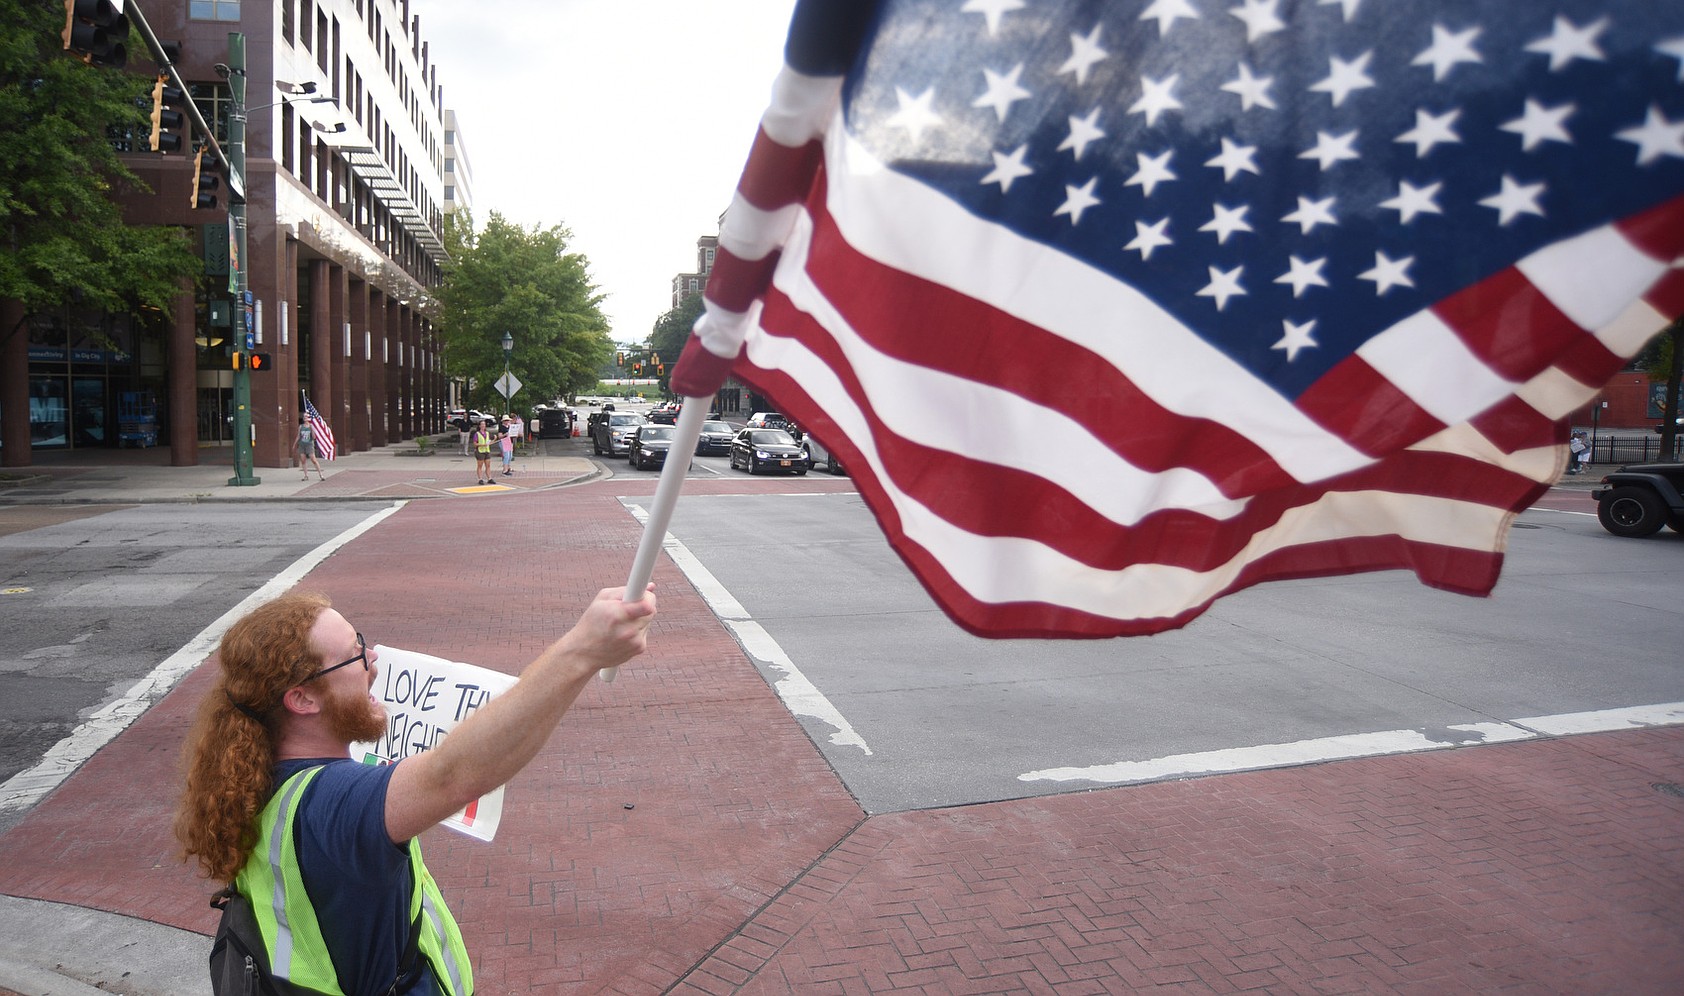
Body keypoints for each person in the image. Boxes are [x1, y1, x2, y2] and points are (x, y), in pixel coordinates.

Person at [175, 585, 657, 996]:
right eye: (352, 655)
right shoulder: (333, 805)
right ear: (301, 698)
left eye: (361, 642)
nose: (373, 662)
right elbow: (453, 774)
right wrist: (582, 651)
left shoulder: (252, 777)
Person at [296, 415, 326, 481]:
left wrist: (312, 429)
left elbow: (314, 437)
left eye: (306, 417)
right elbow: (298, 436)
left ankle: (320, 474)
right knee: (303, 460)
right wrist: (295, 444)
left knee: (313, 459)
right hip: (302, 444)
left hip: (309, 444)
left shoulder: (311, 426)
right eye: (304, 417)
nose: (305, 418)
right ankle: (306, 475)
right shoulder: (301, 427)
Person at [470, 419, 494, 485]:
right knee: (480, 465)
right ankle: (480, 478)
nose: (483, 425)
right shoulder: (477, 434)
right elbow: (475, 444)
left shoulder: (487, 433)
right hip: (480, 451)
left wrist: (493, 440)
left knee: (488, 465)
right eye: (482, 424)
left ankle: (489, 478)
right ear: (479, 426)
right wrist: (482, 445)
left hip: (487, 450)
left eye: (484, 424)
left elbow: (489, 441)